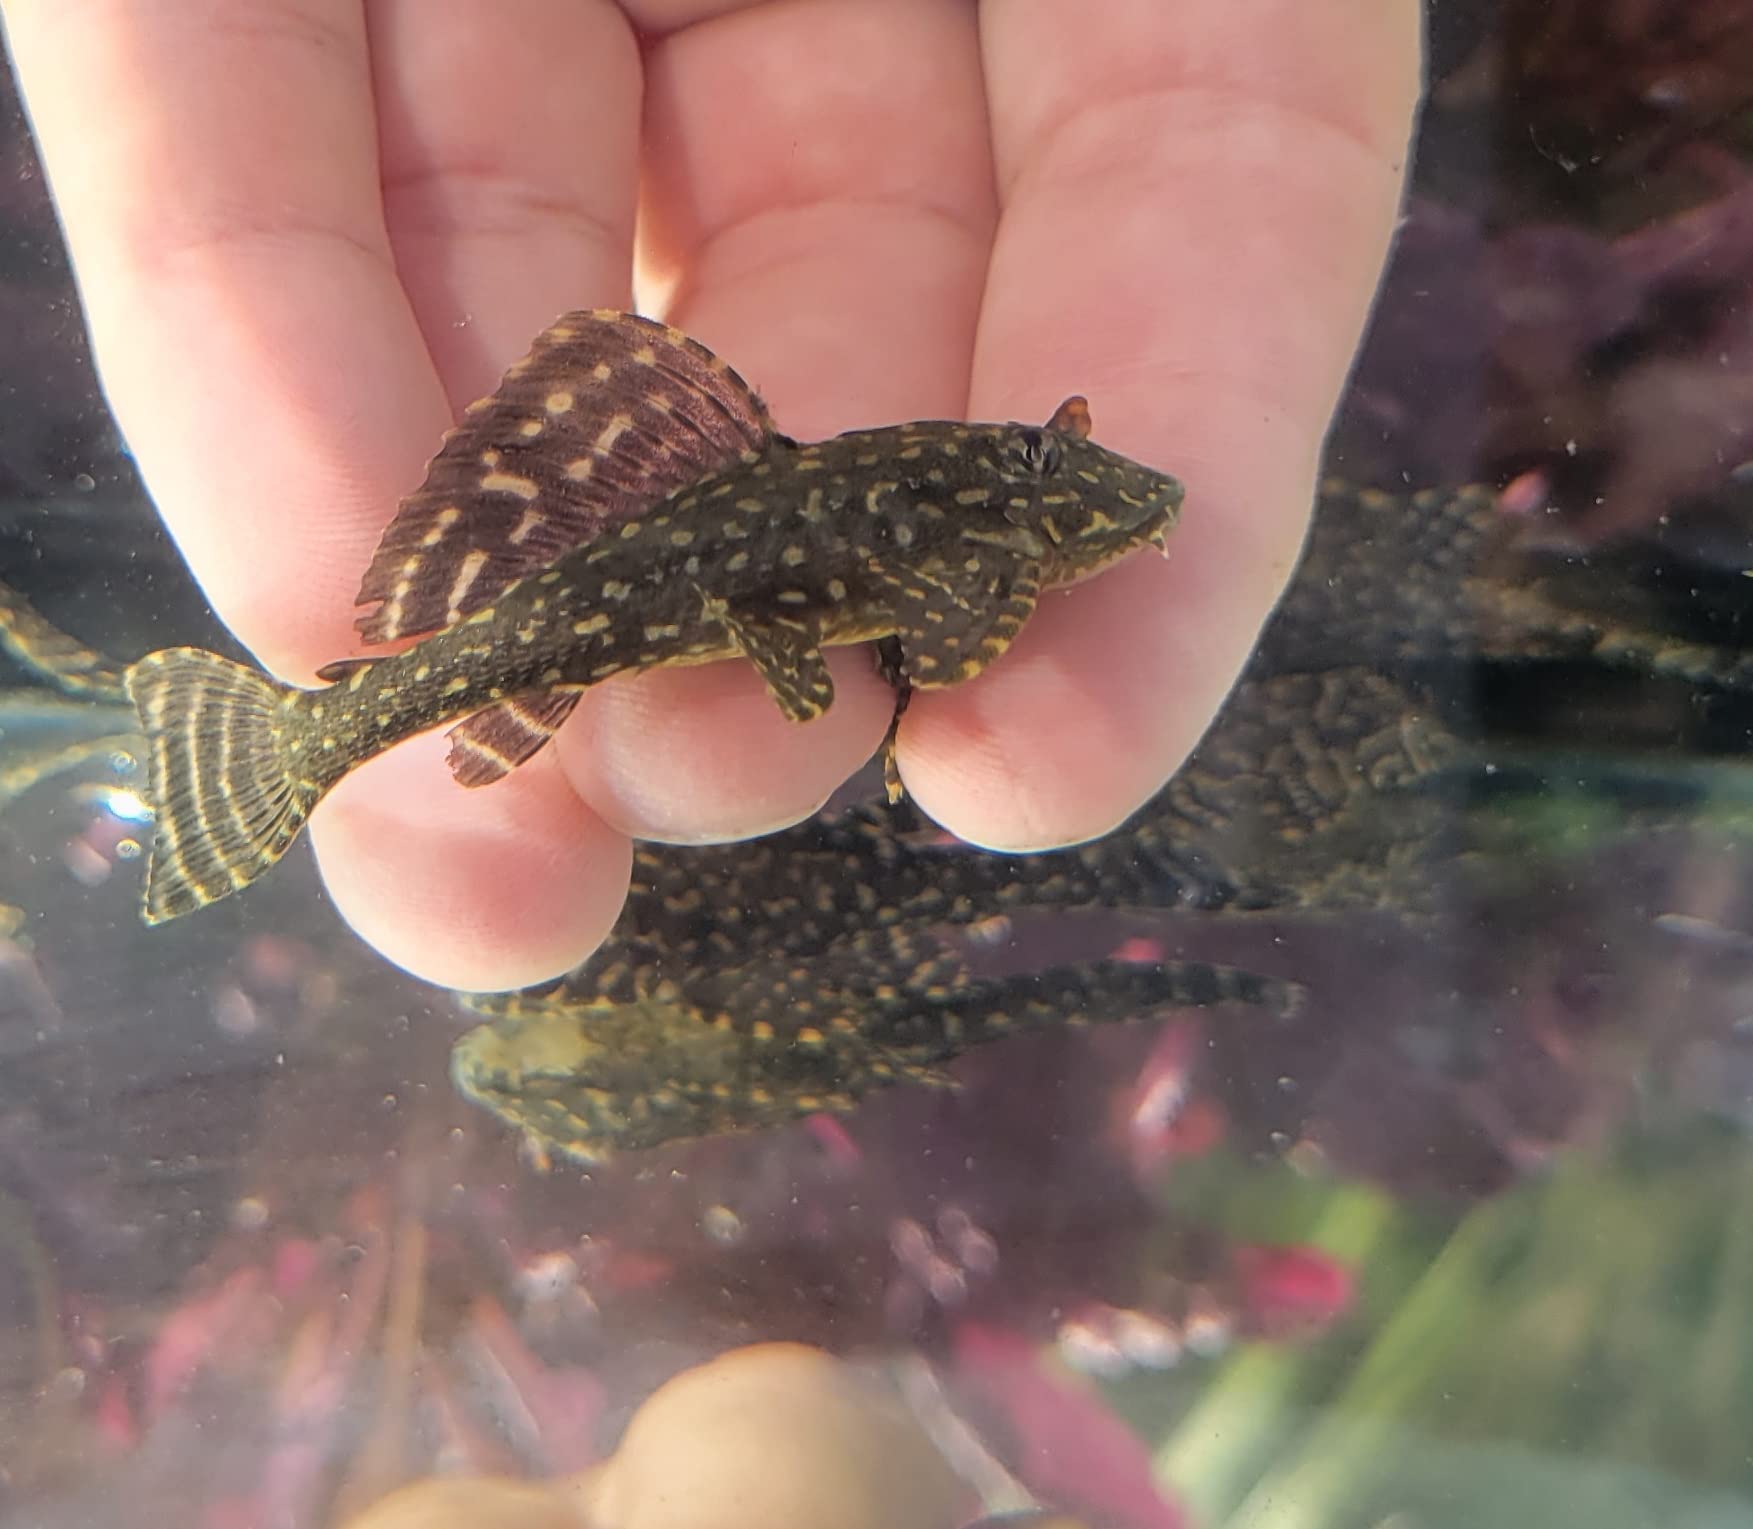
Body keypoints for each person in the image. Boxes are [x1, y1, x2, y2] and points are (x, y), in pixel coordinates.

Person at [1, 2, 1421, 991]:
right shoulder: (960, 543)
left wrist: (795, 644)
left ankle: (298, 741)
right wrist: (794, 652)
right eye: (1077, 494)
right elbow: (824, 614)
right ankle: (299, 745)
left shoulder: (949, 511)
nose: (1123, 513)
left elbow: (810, 602)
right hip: (632, 578)